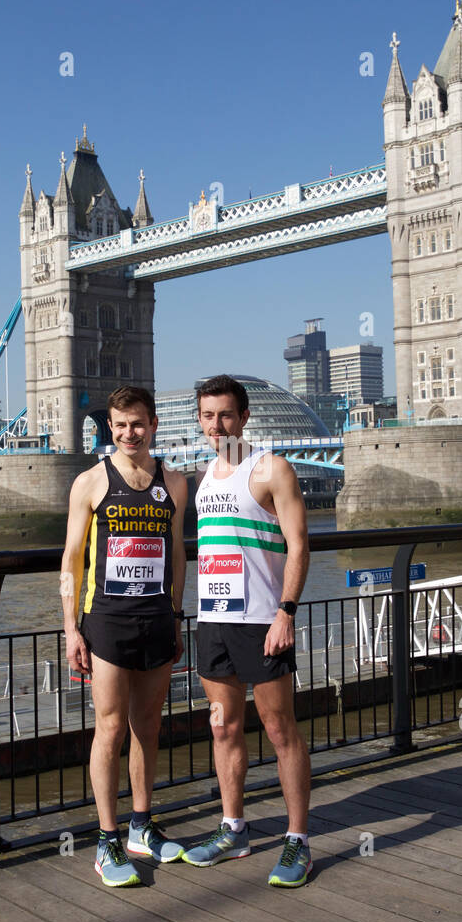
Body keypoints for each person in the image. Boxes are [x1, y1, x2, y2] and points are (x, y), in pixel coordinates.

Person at [181, 374, 312, 886]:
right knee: (223, 727)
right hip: (214, 620)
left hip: (262, 621)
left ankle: (297, 840)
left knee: (281, 731)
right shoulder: (202, 478)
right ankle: (233, 828)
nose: (218, 425)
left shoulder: (271, 469)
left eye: (227, 415)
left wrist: (286, 612)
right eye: (209, 416)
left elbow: (299, 545)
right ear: (199, 420)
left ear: (244, 417)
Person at [61, 386, 188, 887]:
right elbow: (71, 560)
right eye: (119, 425)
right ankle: (106, 840)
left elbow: (177, 553)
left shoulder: (175, 483)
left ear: (153, 424)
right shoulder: (90, 483)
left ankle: (141, 826)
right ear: (109, 428)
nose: (128, 433)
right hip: (107, 621)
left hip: (157, 617)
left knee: (148, 727)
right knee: (110, 728)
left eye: (137, 424)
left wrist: (177, 612)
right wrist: (70, 627)